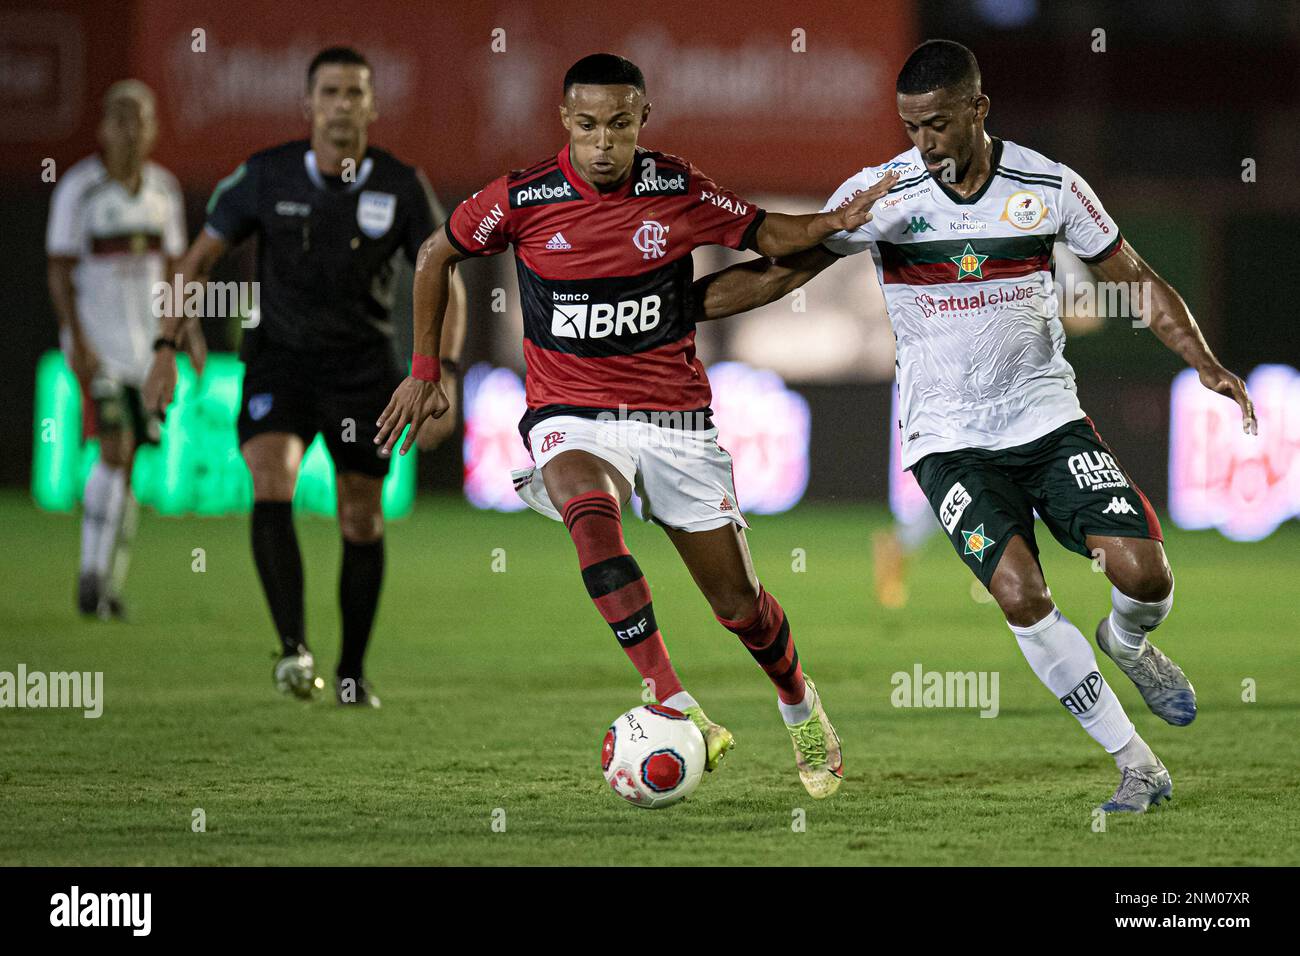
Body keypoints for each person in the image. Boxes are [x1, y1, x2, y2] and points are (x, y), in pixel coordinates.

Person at [693, 40, 1257, 813]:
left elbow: (1137, 279)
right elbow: (781, 272)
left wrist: (1204, 360)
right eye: (910, 126)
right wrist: (679, 308)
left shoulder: (1049, 185)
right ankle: (1138, 765)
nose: (923, 143)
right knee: (1021, 593)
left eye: (937, 124)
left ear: (978, 110)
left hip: (1049, 423)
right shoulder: (882, 194)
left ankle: (1126, 641)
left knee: (1144, 575)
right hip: (947, 443)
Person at [375, 54, 887, 798]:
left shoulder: (674, 187)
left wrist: (832, 225)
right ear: (565, 123)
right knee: (589, 514)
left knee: (738, 606)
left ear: (642, 119)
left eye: (619, 124)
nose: (604, 143)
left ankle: (800, 703)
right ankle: (676, 701)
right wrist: (425, 371)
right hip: (570, 414)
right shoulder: (523, 197)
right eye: (587, 126)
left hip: (673, 418)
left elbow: (766, 235)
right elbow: (435, 254)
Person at [144, 47, 465, 706]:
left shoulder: (401, 185)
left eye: (354, 93)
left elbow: (446, 278)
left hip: (361, 370)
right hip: (279, 361)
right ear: (309, 104)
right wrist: (164, 347)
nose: (342, 104)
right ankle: (293, 648)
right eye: (331, 92)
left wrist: (445, 374)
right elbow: (195, 261)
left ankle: (350, 673)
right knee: (271, 476)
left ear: (372, 105)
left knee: (361, 517)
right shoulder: (267, 175)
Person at [47, 79, 199, 620]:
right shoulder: (78, 191)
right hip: (99, 349)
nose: (132, 130)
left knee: (130, 460)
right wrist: (77, 339)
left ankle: (108, 582)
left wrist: (186, 334)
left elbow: (179, 270)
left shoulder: (164, 191)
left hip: (147, 351)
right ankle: (90, 576)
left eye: (141, 119)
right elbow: (60, 271)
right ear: (103, 129)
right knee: (115, 446)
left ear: (154, 128)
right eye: (121, 119)